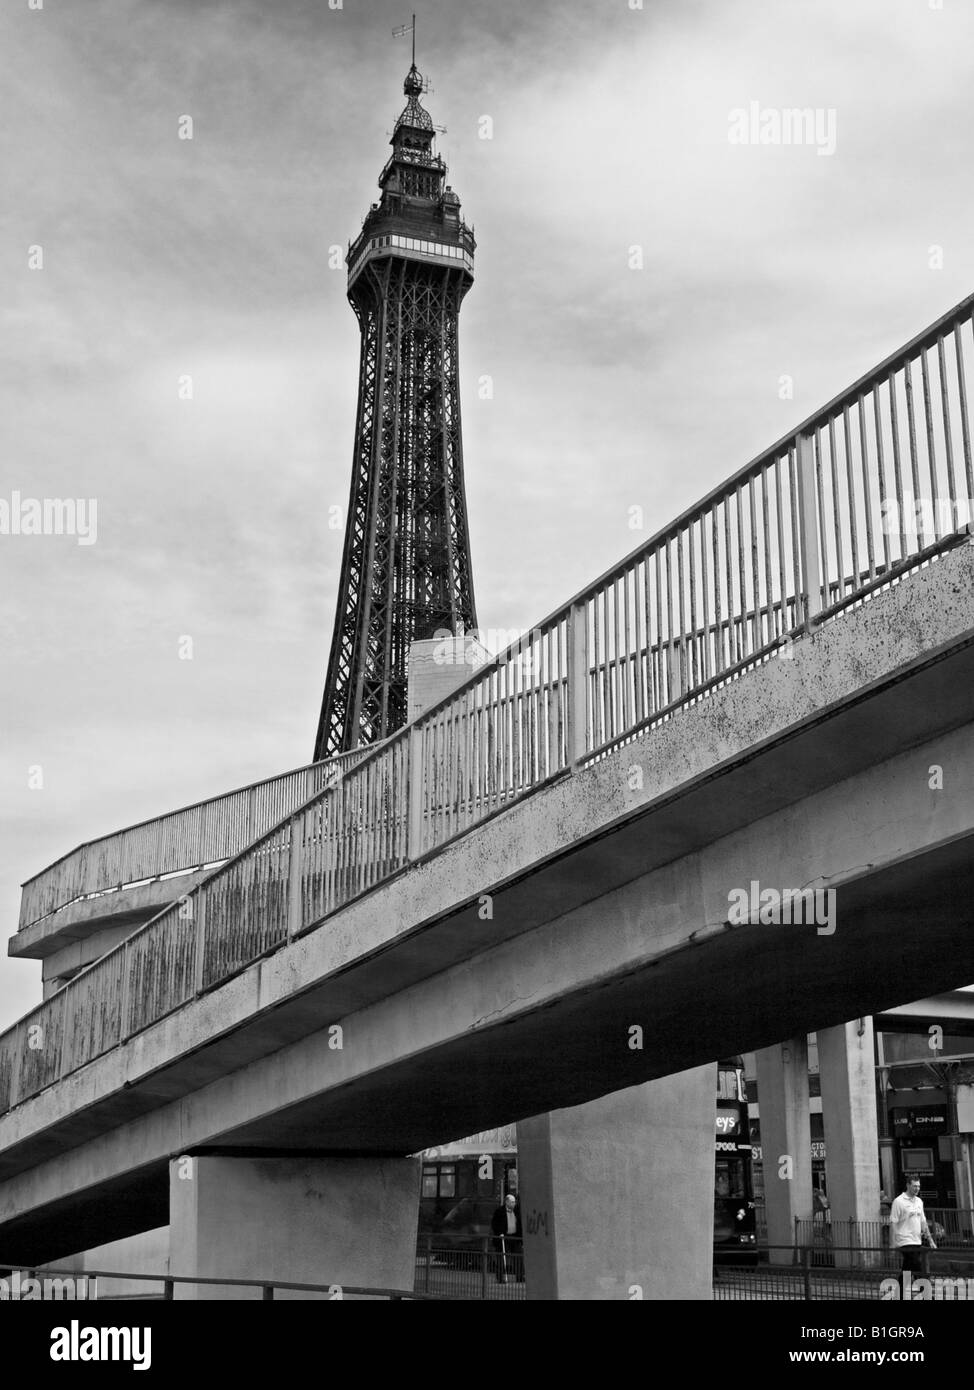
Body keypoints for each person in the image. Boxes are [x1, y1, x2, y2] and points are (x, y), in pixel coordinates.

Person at [889, 1176, 936, 1296]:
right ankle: (926, 1292)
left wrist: (930, 1240)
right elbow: (893, 1222)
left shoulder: (919, 1201)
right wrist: (893, 1243)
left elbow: (923, 1222)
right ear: (908, 1185)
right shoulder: (898, 1201)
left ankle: (898, 1294)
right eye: (915, 1186)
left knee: (907, 1269)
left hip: (916, 1240)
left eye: (919, 1186)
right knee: (917, 1265)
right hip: (904, 1240)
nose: (917, 1189)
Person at [490, 1193, 521, 1284]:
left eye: (514, 1202)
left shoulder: (517, 1211)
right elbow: (494, 1224)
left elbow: (519, 1223)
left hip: (515, 1237)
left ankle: (520, 1276)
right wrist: (499, 1233)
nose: (514, 1204)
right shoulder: (499, 1211)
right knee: (501, 1258)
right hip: (504, 1237)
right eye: (512, 1202)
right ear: (507, 1202)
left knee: (518, 1257)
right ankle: (500, 1278)